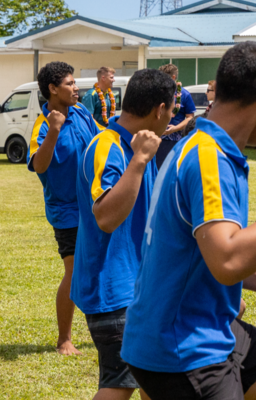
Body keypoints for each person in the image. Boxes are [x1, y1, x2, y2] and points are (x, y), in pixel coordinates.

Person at [121, 42, 256, 400]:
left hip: (211, 325)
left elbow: (207, 251)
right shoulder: (208, 158)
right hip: (182, 348)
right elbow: (228, 260)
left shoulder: (203, 145)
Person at [73, 69, 175, 400]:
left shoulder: (139, 149)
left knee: (154, 380)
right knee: (119, 384)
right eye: (172, 110)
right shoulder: (108, 145)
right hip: (114, 293)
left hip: (139, 289)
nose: (172, 119)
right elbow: (105, 217)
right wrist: (141, 159)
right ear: (160, 109)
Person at [27, 61, 103, 356]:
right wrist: (54, 131)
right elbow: (39, 165)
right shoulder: (43, 124)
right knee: (74, 272)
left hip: (95, 205)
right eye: (70, 83)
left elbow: (102, 138)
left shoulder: (83, 112)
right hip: (67, 211)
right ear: (52, 89)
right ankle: (64, 339)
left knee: (102, 267)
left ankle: (111, 330)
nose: (77, 88)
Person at [154, 64, 195, 169]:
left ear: (173, 77)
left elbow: (190, 117)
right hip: (156, 138)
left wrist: (174, 129)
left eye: (163, 77)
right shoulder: (157, 93)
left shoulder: (184, 95)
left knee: (171, 170)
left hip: (175, 140)